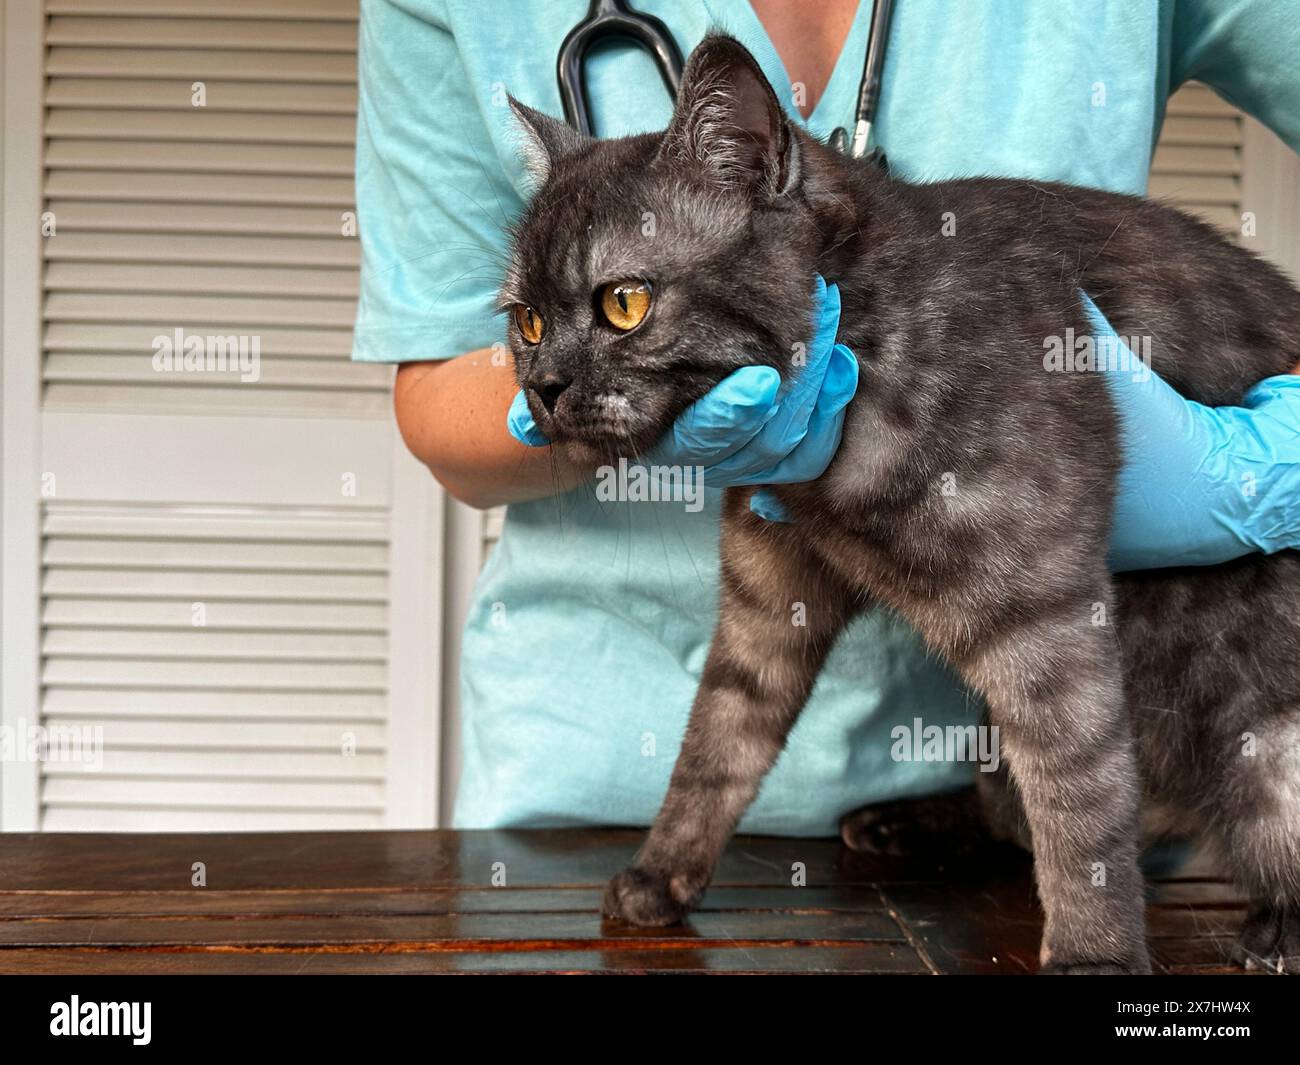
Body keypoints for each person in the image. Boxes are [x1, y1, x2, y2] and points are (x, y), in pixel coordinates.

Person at [353, 0, 1300, 835]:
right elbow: (438, 393)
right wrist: (627, 405)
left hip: (1073, 791)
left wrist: (1265, 466)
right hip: (591, 781)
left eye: (625, 304)